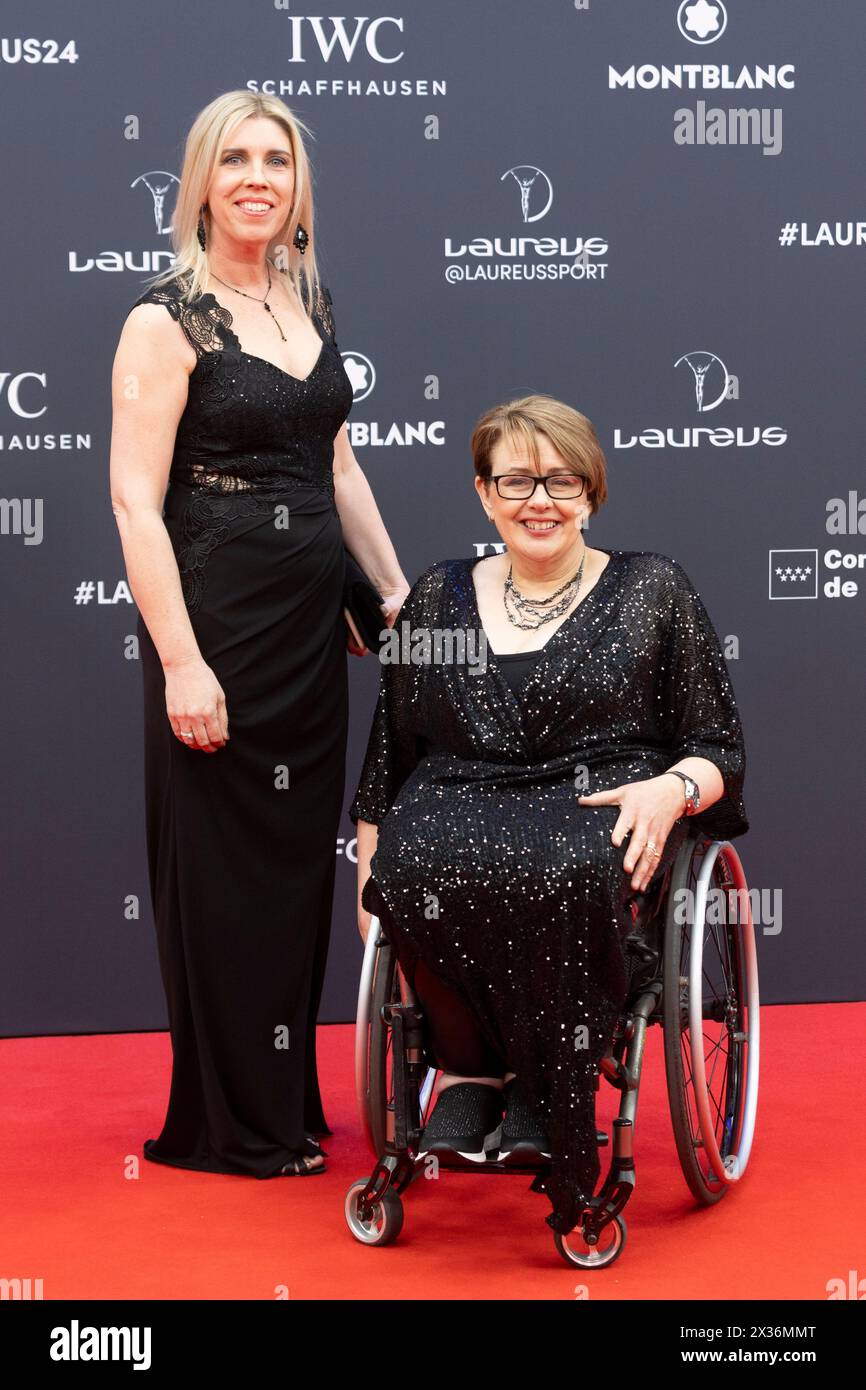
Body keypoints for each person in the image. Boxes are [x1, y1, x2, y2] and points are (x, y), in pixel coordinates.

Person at [351, 393, 748, 1235]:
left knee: (564, 865)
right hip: (460, 796)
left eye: (562, 480)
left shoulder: (652, 590)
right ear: (484, 493)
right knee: (415, 867)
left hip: (600, 798)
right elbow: (392, 759)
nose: (542, 499)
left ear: (592, 490)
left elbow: (719, 745)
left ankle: (546, 1085)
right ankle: (465, 1074)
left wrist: (668, 789)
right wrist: (369, 876)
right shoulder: (439, 600)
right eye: (518, 480)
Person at [110, 91, 408, 1180]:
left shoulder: (306, 302)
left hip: (302, 625)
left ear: (296, 185)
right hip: (217, 623)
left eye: (274, 161)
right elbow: (136, 504)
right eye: (232, 158)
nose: (255, 177)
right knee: (223, 866)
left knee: (289, 866)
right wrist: (182, 661)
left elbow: (335, 468)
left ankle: (280, 1098)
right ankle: (226, 1123)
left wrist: (388, 589)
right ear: (199, 180)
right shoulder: (163, 319)